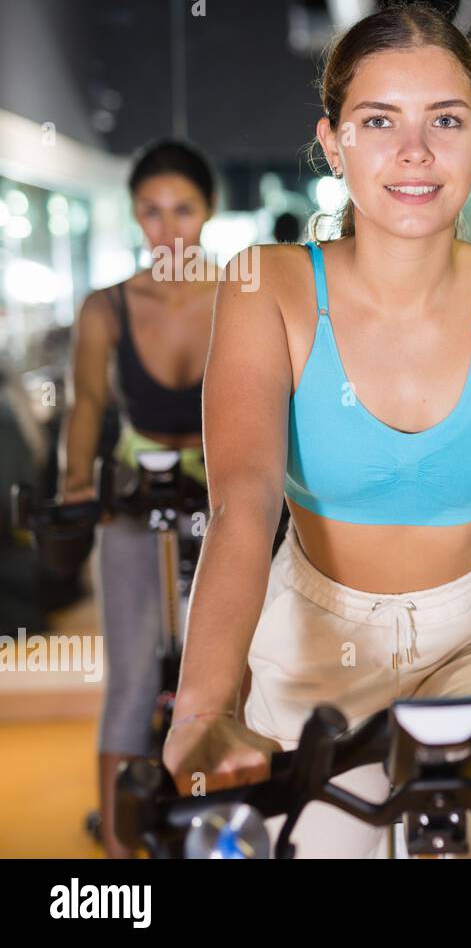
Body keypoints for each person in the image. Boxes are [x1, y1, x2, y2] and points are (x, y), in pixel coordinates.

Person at [161, 1, 471, 859]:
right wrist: (203, 710)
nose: (415, 151)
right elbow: (242, 503)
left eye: (446, 120)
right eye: (379, 120)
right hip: (317, 631)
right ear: (332, 140)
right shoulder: (265, 287)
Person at [59, 139, 220, 857]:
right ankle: (123, 846)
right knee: (130, 680)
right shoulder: (107, 306)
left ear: (208, 212)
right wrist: (73, 483)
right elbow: (87, 404)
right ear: (134, 217)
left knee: (221, 674)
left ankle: (220, 822)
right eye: (151, 213)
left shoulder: (239, 294)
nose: (168, 228)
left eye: (183, 208)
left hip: (223, 493)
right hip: (133, 488)